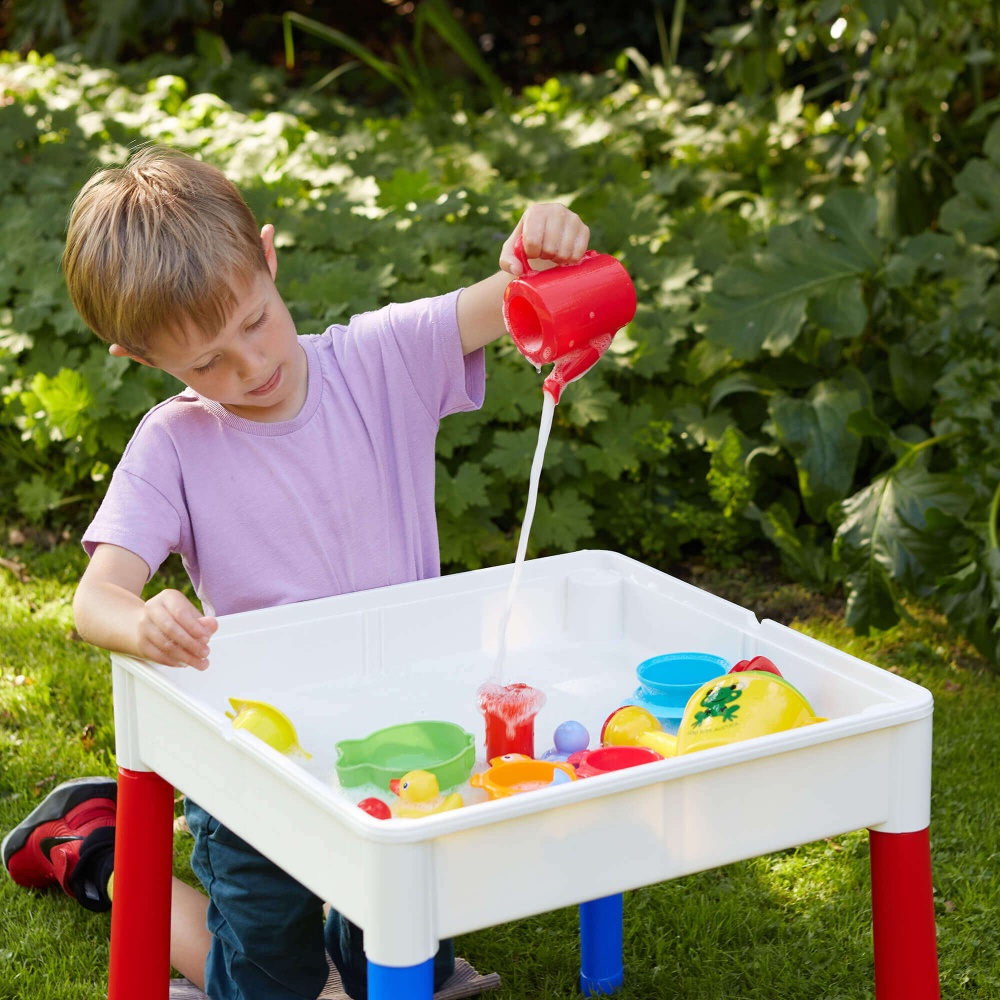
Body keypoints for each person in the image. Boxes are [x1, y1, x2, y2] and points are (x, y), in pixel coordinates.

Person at [2, 144, 591, 1000]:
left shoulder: (380, 361)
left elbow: (506, 303)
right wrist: (140, 621)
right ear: (141, 358)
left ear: (270, 260)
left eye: (254, 321)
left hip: (405, 730)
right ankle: (95, 849)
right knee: (271, 983)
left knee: (401, 972)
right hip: (260, 756)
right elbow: (95, 602)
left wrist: (539, 249)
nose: (247, 369)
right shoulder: (173, 445)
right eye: (204, 363)